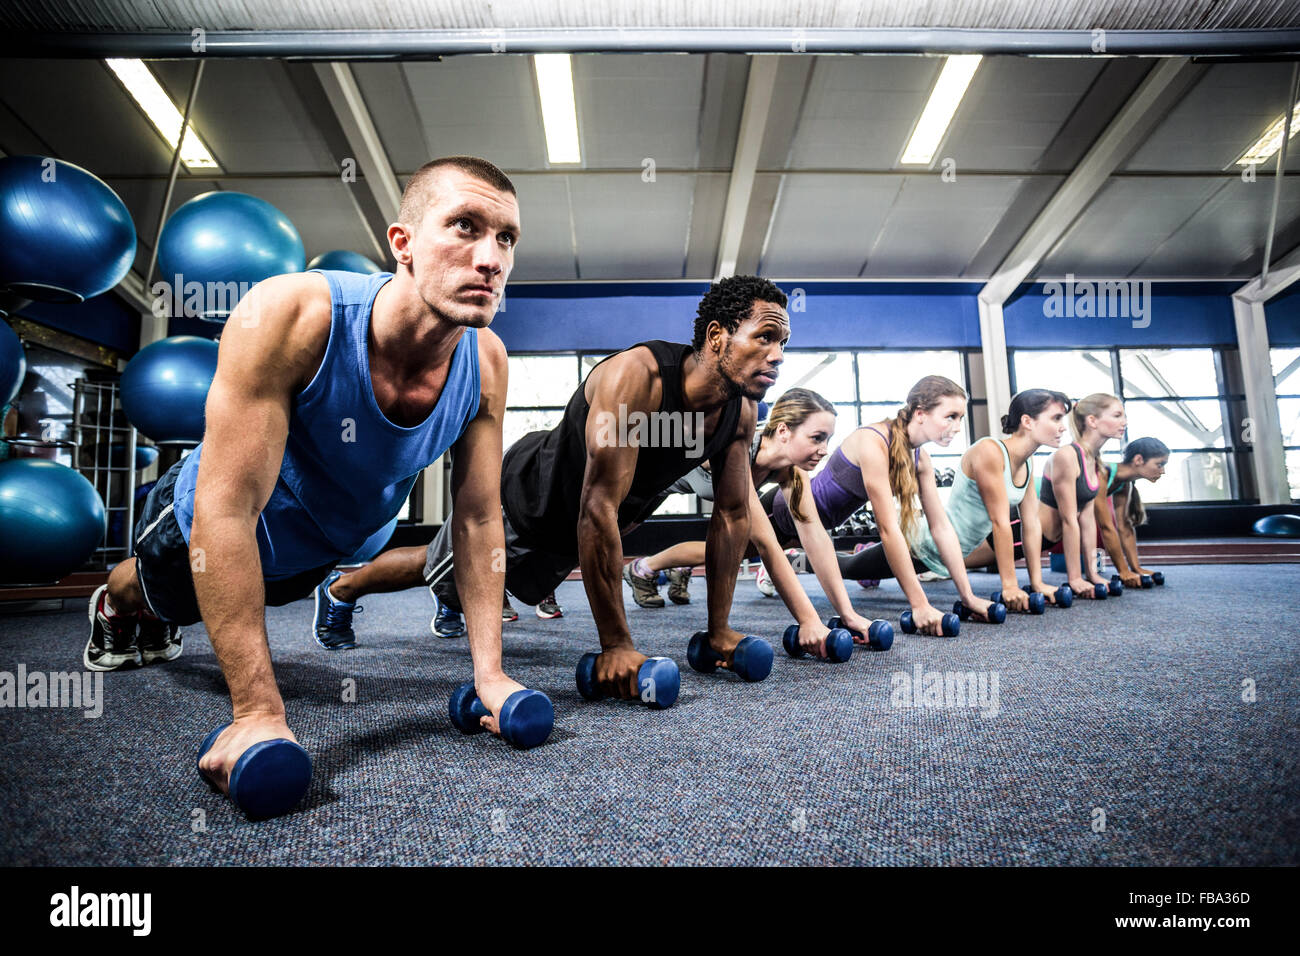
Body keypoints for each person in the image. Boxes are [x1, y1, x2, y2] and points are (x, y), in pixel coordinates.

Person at [84, 155, 537, 783]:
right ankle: (114, 603)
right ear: (402, 245)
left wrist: (490, 675)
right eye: (464, 225)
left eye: (506, 237)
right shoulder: (291, 314)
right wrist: (257, 713)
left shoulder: (486, 361)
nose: (491, 258)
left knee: (201, 617)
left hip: (318, 554)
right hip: (204, 531)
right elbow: (226, 509)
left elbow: (481, 518)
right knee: (158, 601)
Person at [328, 275, 790, 693]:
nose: (778, 355)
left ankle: (456, 601)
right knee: (433, 567)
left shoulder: (739, 411)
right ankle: (341, 591)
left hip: (575, 531)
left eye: (784, 342)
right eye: (765, 337)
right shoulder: (638, 379)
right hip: (526, 501)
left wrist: (720, 631)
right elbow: (598, 506)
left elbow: (731, 516)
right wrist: (617, 645)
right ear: (717, 336)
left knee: (505, 584)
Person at [625, 387, 883, 652]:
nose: (824, 450)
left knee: (730, 546)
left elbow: (815, 535)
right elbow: (767, 544)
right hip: (643, 478)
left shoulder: (791, 470)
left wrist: (848, 614)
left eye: (828, 439)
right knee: (612, 532)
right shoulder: (738, 449)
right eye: (817, 438)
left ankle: (671, 569)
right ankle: (639, 571)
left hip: (677, 485)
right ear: (783, 431)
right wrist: (809, 621)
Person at [772, 376, 1001, 635]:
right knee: (719, 557)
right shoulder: (873, 442)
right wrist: (920, 605)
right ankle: (779, 565)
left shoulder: (921, 459)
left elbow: (941, 528)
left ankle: (787, 562)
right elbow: (888, 529)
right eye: (951, 416)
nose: (957, 427)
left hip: (818, 528)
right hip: (785, 512)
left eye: (961, 418)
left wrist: (968, 597)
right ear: (921, 414)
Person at [915, 388, 1073, 611]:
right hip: (928, 543)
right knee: (850, 567)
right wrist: (1009, 586)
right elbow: (1000, 522)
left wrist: (1036, 582)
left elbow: (1031, 523)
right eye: (1056, 418)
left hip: (959, 552)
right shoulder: (989, 451)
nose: (1063, 426)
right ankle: (866, 550)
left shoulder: (1027, 462)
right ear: (1027, 421)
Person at [1036, 392, 1127, 598]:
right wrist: (1075, 578)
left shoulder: (1094, 461)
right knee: (956, 559)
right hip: (1020, 537)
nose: (1124, 422)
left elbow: (1087, 520)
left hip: (1045, 539)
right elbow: (1069, 520)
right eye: (1117, 415)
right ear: (1092, 421)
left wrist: (1092, 573)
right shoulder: (1067, 456)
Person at [1094, 436, 1170, 587]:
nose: (1163, 471)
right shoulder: (1102, 472)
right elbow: (1106, 527)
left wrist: (1136, 568)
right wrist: (1123, 572)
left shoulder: (1124, 484)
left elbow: (1124, 527)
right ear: (1139, 460)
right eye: (1159, 464)